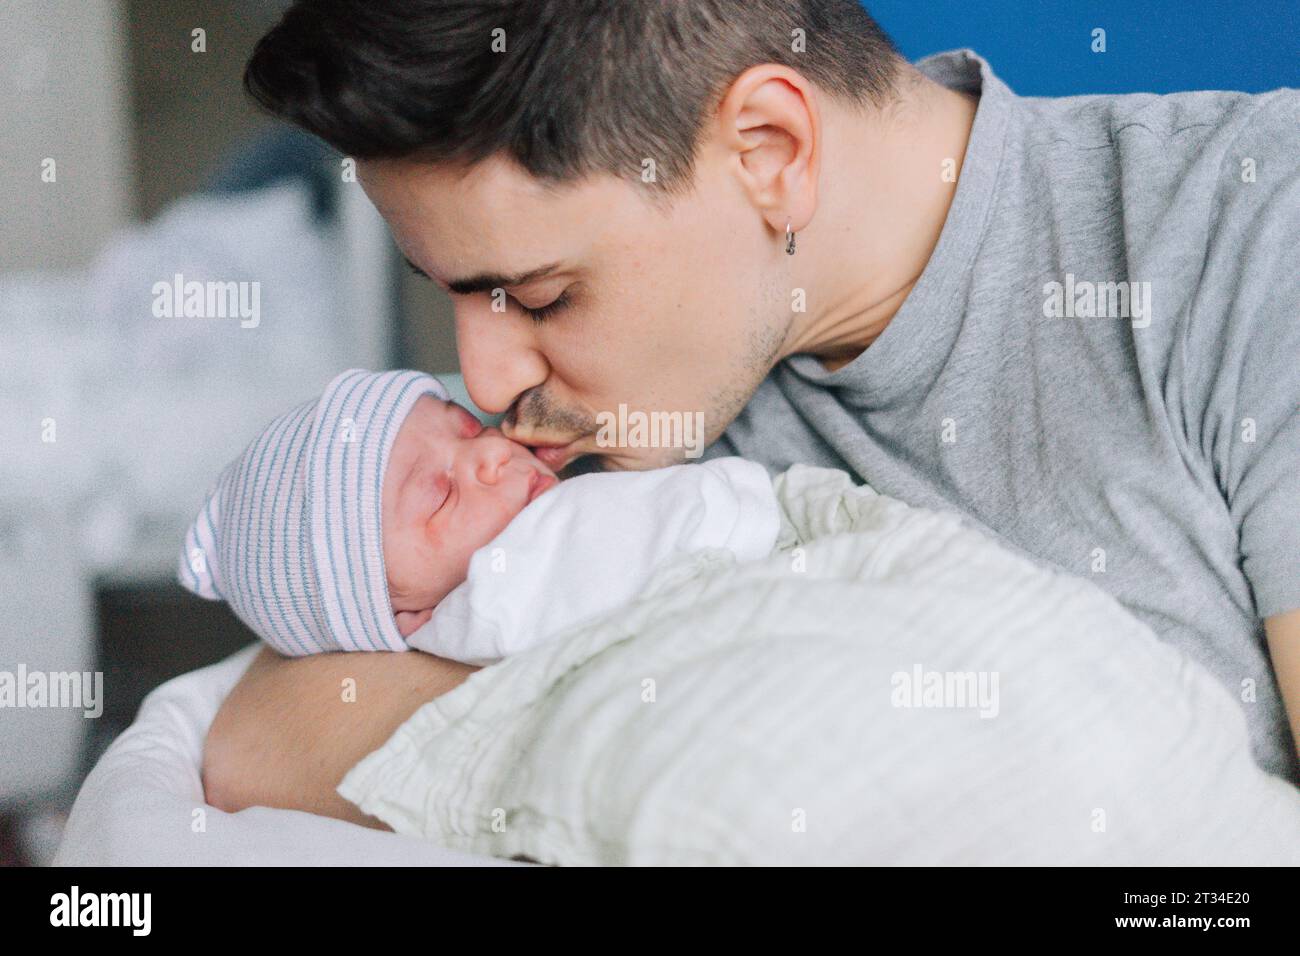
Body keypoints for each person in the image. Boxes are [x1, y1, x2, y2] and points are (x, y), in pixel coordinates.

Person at [204, 0, 1300, 825]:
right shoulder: (583, 443)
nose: (484, 384)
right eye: (447, 288)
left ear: (769, 153)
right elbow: (256, 732)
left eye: (540, 295)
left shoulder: (1246, 235)